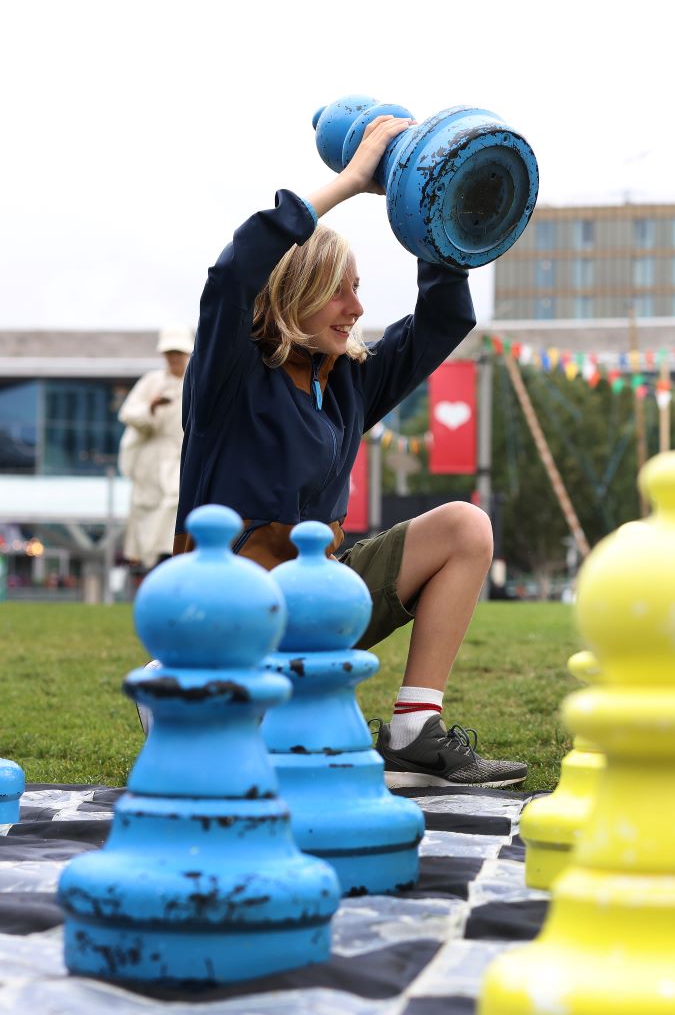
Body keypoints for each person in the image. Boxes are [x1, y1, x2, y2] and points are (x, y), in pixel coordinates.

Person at [174, 114, 526, 788]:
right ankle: (200, 695)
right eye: (338, 288)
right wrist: (353, 178)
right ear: (292, 291)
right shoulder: (230, 376)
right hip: (225, 612)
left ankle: (415, 732)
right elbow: (233, 269)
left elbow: (444, 319)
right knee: (245, 763)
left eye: (359, 287)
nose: (355, 307)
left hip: (323, 595)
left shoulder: (348, 382)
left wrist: (429, 193)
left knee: (465, 528)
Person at [118, 327, 192, 571]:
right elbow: (128, 413)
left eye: (178, 352)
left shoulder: (197, 380)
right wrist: (151, 407)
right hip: (152, 461)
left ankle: (172, 560)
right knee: (150, 516)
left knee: (175, 507)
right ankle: (155, 564)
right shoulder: (152, 382)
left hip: (184, 457)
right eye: (170, 352)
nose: (174, 358)